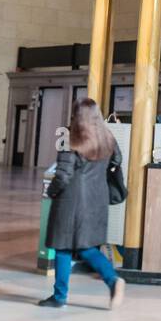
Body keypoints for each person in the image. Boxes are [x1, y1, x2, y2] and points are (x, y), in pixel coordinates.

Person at [39, 98, 125, 309]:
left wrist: (50, 192)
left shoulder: (73, 139)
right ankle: (113, 280)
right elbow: (117, 161)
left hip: (71, 202)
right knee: (86, 247)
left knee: (62, 248)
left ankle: (59, 297)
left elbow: (63, 175)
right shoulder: (107, 138)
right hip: (97, 200)